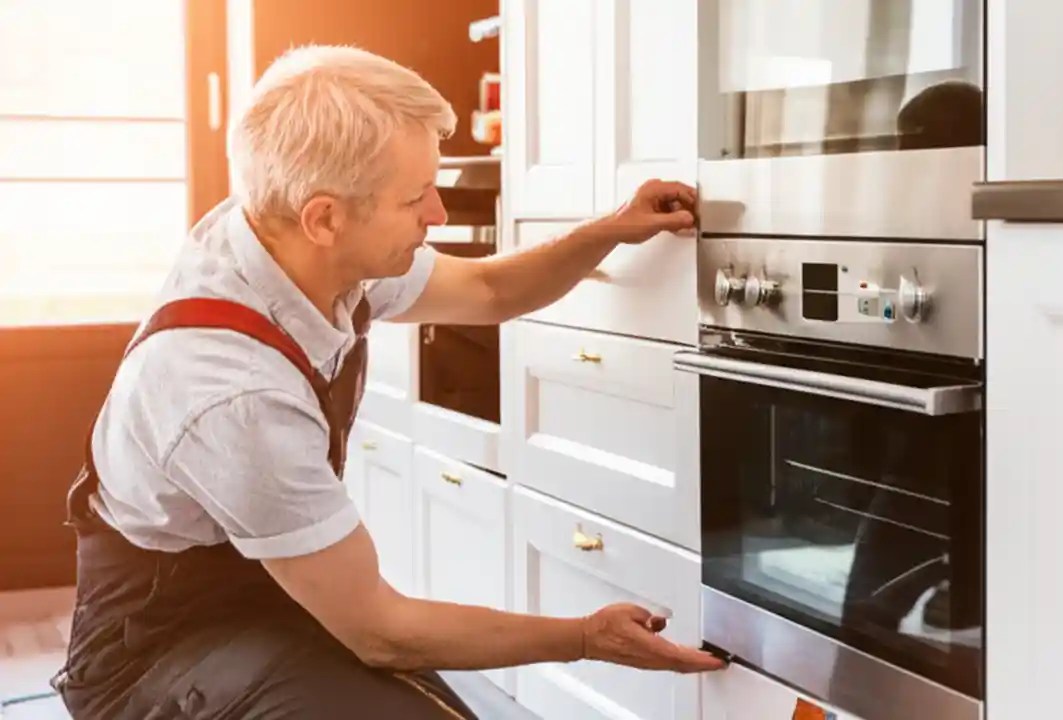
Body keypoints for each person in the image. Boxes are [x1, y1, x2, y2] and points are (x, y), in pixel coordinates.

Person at [53, 44, 723, 720]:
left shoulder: (295, 244)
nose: (438, 213)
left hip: (266, 600)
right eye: (414, 198)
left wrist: (610, 230)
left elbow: (488, 291)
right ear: (325, 218)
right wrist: (584, 637)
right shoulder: (235, 395)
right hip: (152, 657)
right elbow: (381, 631)